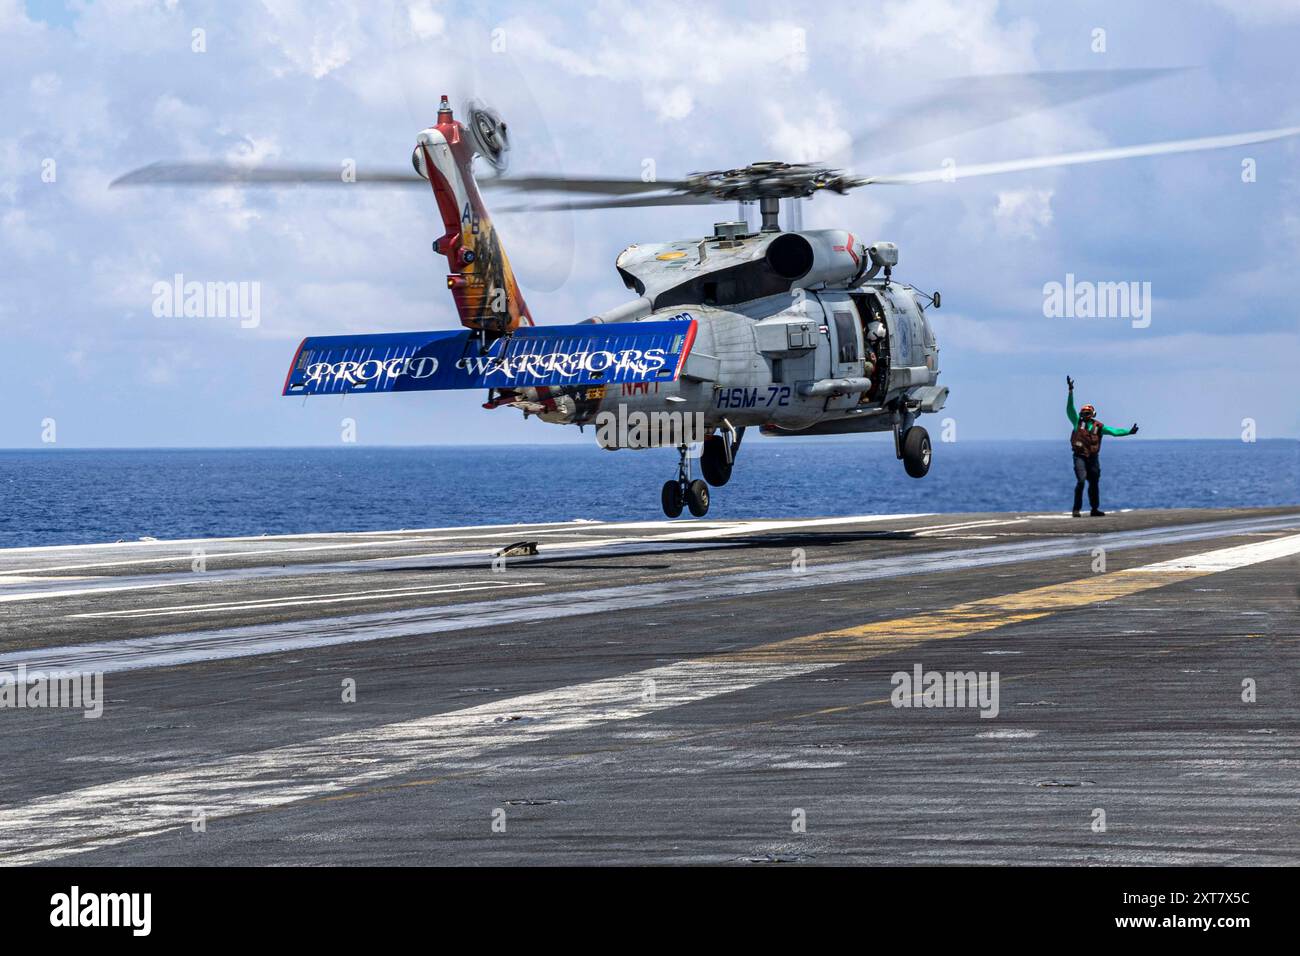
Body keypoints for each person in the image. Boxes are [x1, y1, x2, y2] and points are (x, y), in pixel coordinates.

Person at [1066, 375, 1138, 517]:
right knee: (1081, 481)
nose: (1084, 415)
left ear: (1092, 414)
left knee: (1094, 483)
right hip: (1079, 457)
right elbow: (1070, 408)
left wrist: (1129, 432)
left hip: (1093, 458)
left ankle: (1094, 509)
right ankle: (1076, 509)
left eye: (1087, 413)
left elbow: (1114, 431)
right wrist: (1070, 391)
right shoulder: (1076, 423)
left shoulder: (1099, 427)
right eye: (1083, 413)